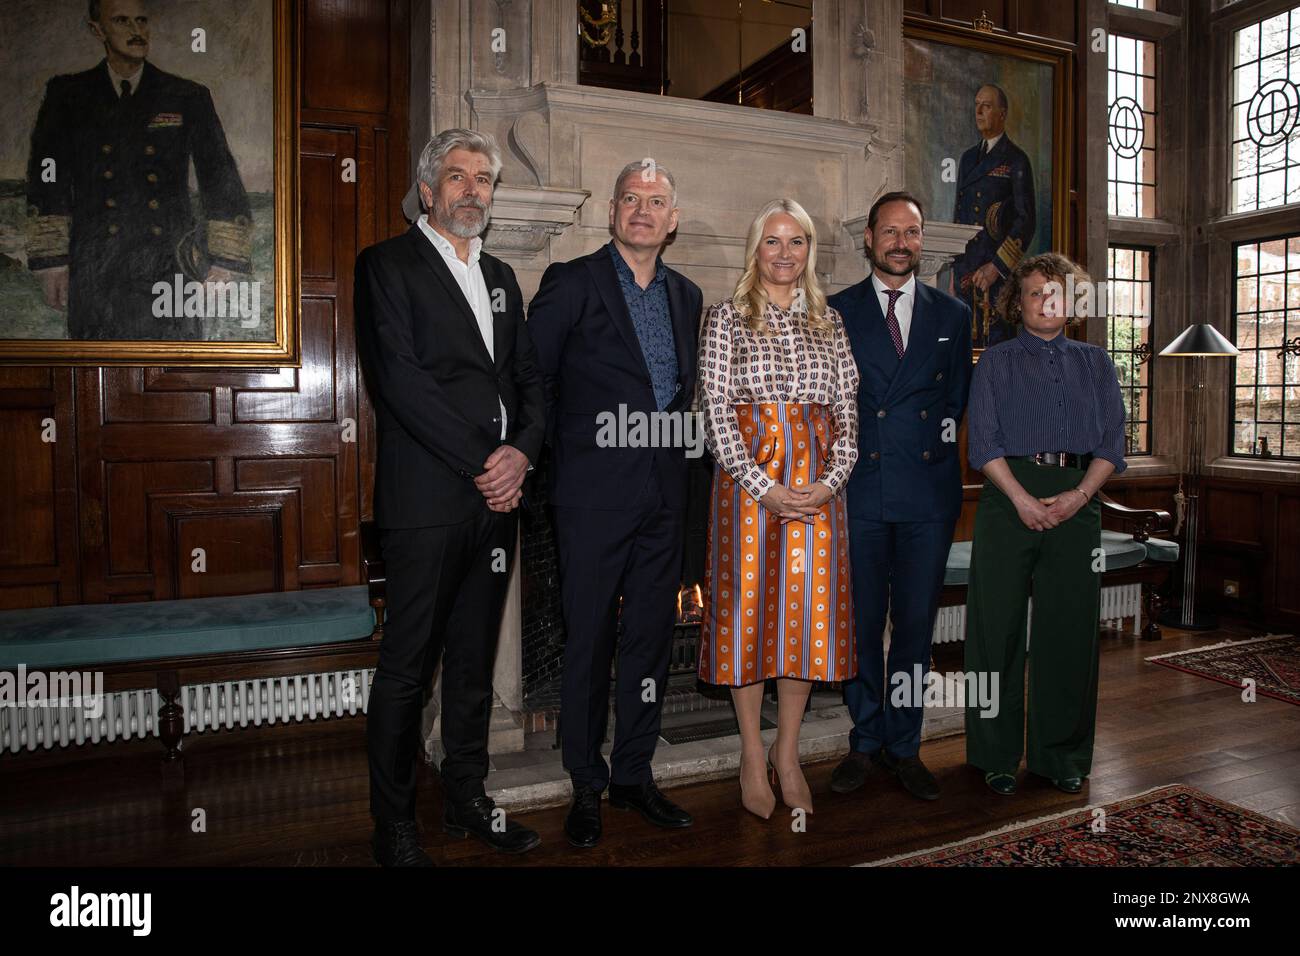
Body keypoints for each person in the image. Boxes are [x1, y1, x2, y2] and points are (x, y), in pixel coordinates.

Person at [354, 128, 546, 866]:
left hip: (497, 505)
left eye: (484, 180)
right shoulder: (387, 266)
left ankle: (468, 799)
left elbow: (529, 380)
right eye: (457, 178)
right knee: (409, 667)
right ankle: (394, 823)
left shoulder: (501, 275)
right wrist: (485, 462)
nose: (472, 190)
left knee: (472, 663)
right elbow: (400, 384)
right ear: (428, 191)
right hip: (429, 501)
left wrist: (522, 454)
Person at [528, 161, 702, 848]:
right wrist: (544, 471)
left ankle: (633, 773)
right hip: (590, 499)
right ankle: (585, 782)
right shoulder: (572, 282)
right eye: (631, 198)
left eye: (655, 201)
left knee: (650, 644)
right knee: (588, 641)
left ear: (672, 219)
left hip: (665, 497)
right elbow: (533, 378)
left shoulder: (687, 296)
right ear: (612, 210)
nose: (642, 210)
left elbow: (684, 398)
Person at [697, 198, 860, 819]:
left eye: (796, 242)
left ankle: (787, 753)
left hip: (819, 494)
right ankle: (749, 751)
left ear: (809, 251)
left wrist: (828, 483)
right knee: (747, 619)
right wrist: (763, 486)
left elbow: (847, 411)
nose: (785, 253)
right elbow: (715, 414)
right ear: (755, 249)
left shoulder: (832, 322)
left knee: (805, 623)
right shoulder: (725, 318)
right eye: (773, 241)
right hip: (748, 492)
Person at [964, 252, 1127, 796]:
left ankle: (1061, 755)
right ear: (1019, 301)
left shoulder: (1097, 363)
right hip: (1008, 498)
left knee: (1070, 632)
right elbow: (983, 444)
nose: (1046, 302)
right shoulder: (996, 361)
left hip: (1079, 499)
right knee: (997, 630)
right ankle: (995, 755)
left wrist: (1079, 495)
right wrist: (1022, 500)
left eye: (1056, 293)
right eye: (1035, 293)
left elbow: (1111, 445)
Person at [827, 192, 972, 802]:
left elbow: (956, 402)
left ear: (921, 241)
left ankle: (905, 745)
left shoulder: (953, 313)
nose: (900, 242)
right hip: (858, 490)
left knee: (914, 627)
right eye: (889, 231)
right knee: (859, 626)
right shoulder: (834, 310)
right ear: (868, 238)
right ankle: (865, 740)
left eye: (911, 232)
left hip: (927, 495)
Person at [25, 0, 253, 340]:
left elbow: (220, 176)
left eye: (141, 20)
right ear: (97, 29)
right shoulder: (68, 94)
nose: (136, 31)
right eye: (121, 21)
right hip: (95, 264)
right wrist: (52, 262)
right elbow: (48, 176)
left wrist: (224, 262)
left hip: (170, 264)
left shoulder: (186, 95)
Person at [952, 84, 1036, 349]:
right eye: (976, 104)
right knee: (964, 349)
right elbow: (960, 219)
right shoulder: (967, 159)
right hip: (966, 272)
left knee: (997, 351)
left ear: (1002, 113)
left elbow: (1026, 221)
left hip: (995, 274)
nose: (978, 111)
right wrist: (955, 274)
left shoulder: (1016, 160)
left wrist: (996, 267)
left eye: (986, 106)